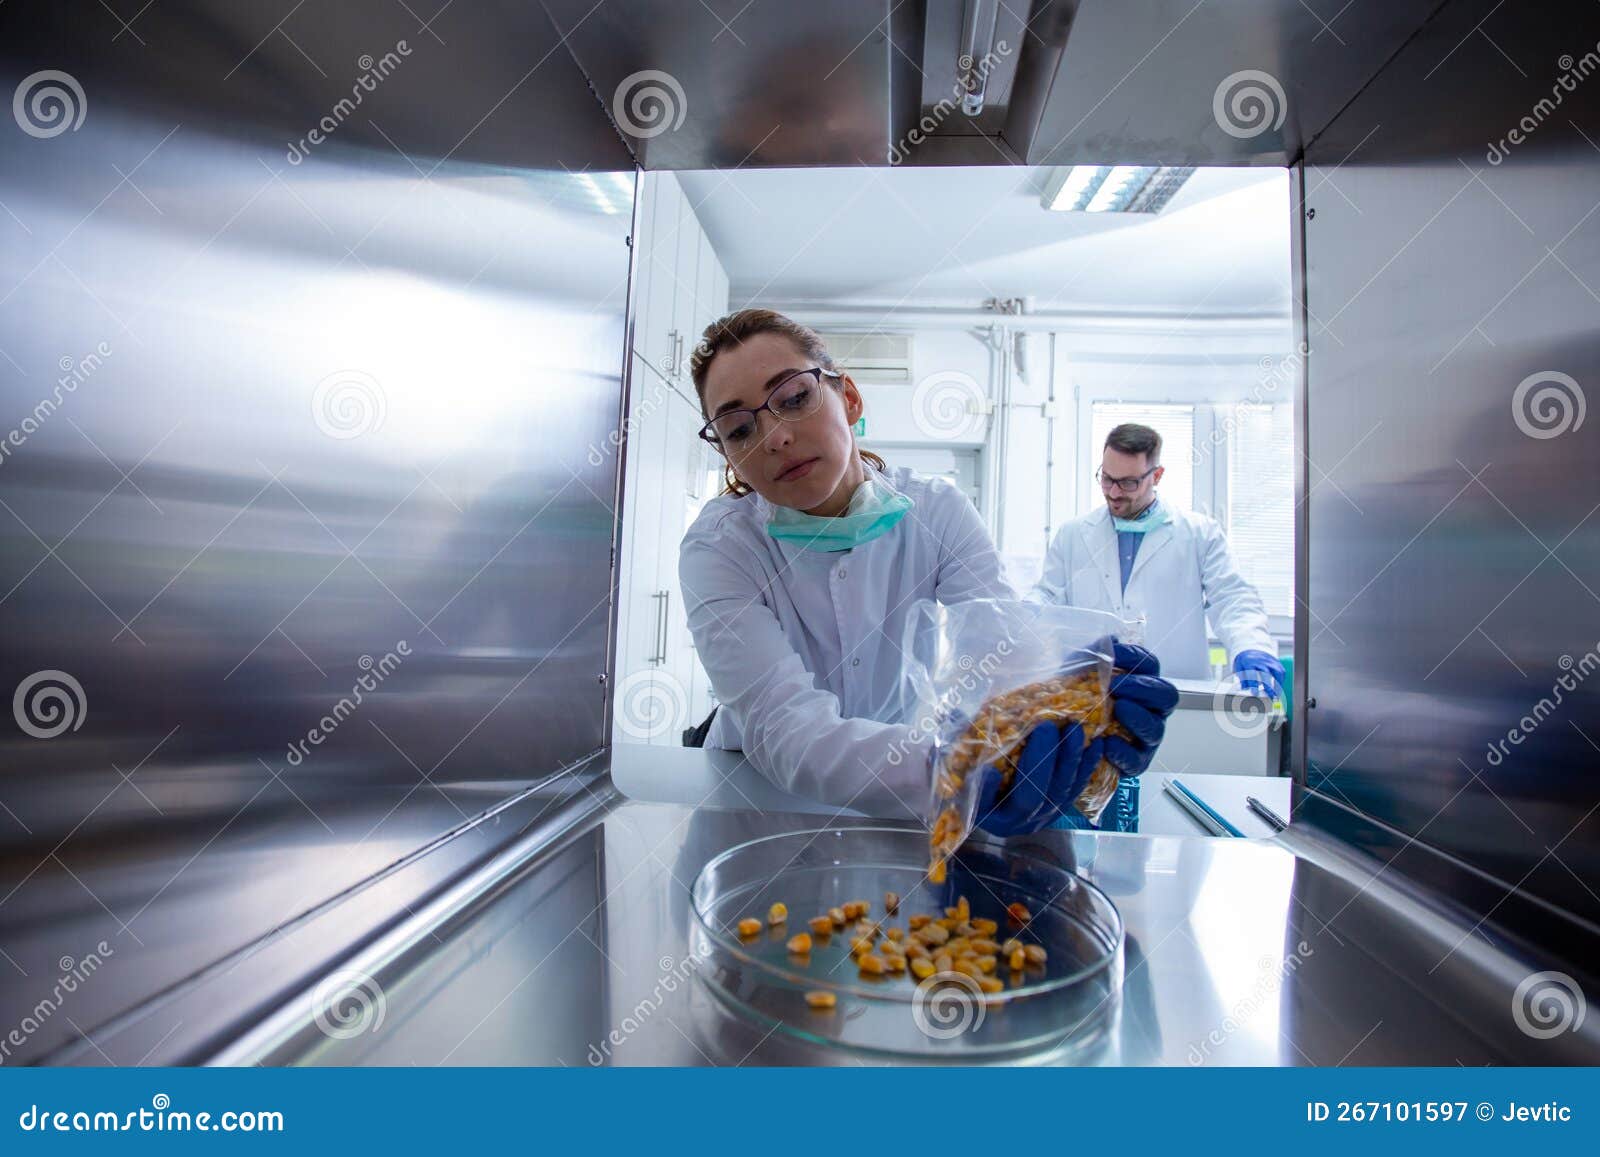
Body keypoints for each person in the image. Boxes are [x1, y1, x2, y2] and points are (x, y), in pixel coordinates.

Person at [677, 309, 1176, 834]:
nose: (774, 437)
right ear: (729, 456)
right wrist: (951, 771)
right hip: (754, 805)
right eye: (738, 429)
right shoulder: (719, 547)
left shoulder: (937, 510)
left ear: (848, 398)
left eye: (795, 398)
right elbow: (783, 726)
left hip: (899, 803)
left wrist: (1071, 706)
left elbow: (1003, 655)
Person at [1030, 422, 1283, 695]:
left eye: (1129, 483)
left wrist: (1252, 647)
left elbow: (1233, 599)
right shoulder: (1073, 535)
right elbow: (1049, 597)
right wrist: (1022, 616)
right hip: (1090, 694)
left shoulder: (1199, 533)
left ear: (1157, 475)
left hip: (1176, 693)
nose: (1114, 493)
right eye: (1107, 478)